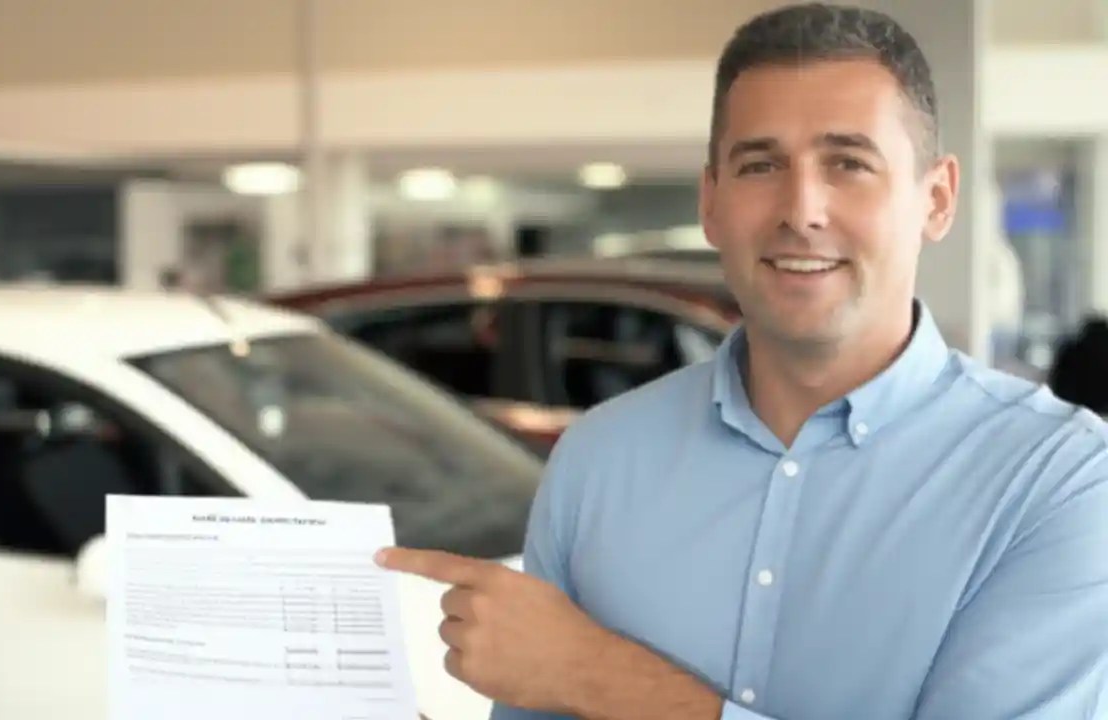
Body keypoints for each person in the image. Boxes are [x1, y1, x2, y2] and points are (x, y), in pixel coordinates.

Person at [378, 3, 1108, 719]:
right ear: (711, 201)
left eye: (848, 162)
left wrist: (597, 674)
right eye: (760, 165)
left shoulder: (1060, 482)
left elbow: (572, 677)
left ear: (937, 199)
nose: (801, 209)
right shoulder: (598, 458)